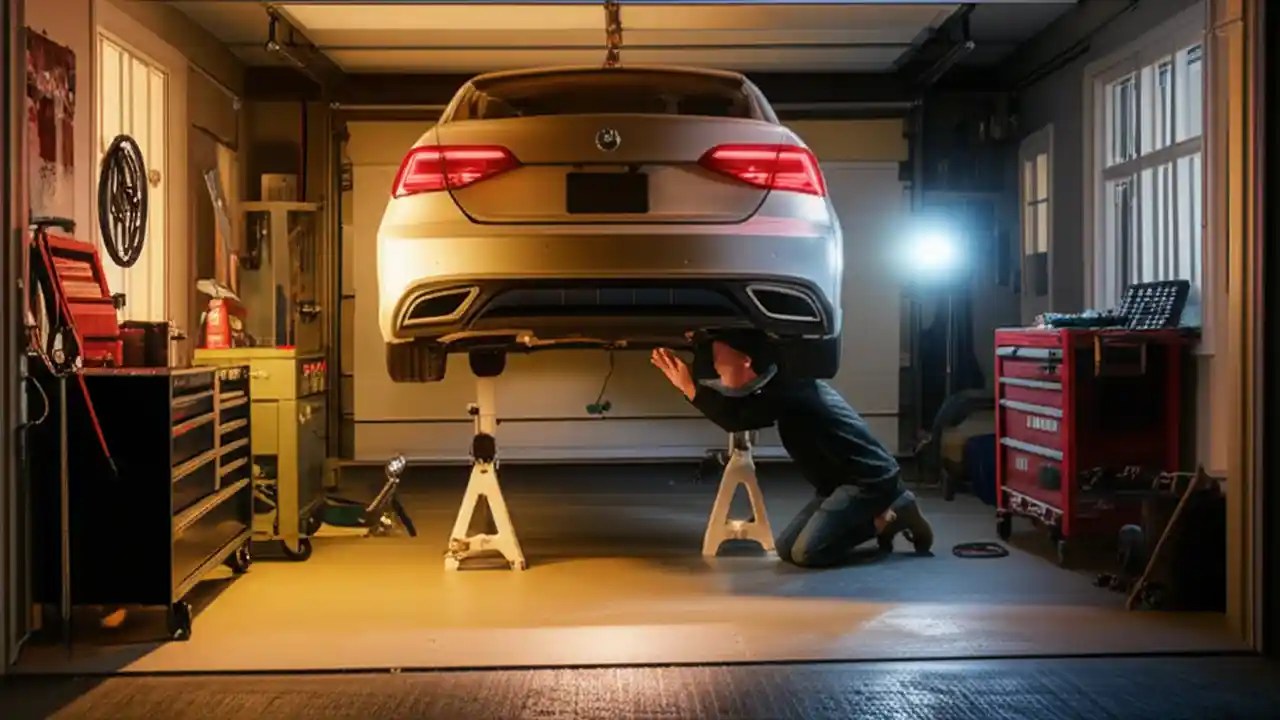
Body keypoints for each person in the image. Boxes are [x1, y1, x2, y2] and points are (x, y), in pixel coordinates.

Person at [651, 330, 934, 568]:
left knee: (807, 553)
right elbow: (737, 408)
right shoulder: (775, 384)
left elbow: (735, 419)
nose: (716, 371)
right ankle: (879, 515)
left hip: (866, 481)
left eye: (719, 362)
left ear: (745, 361)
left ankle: (892, 515)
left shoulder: (789, 390)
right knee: (786, 549)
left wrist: (689, 388)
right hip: (836, 483)